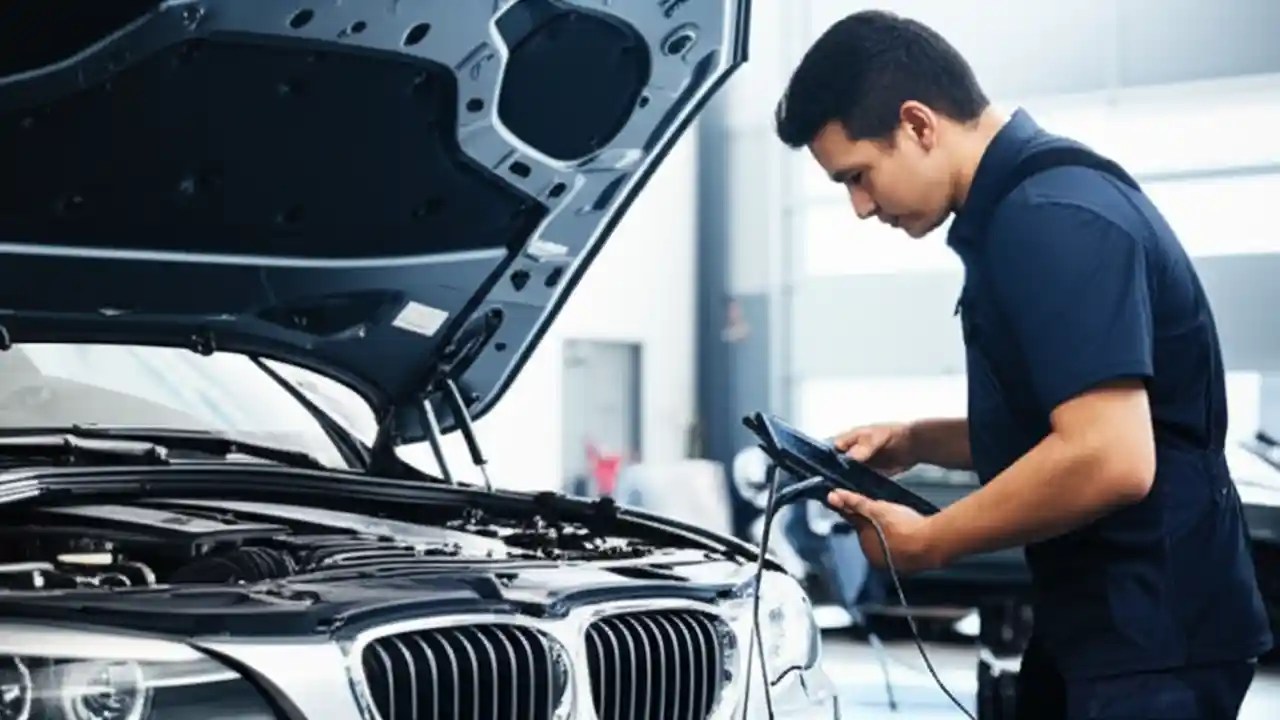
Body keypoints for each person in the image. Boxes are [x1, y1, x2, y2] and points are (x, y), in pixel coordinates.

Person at [772, 9, 1273, 719]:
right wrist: (915, 441)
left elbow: (1110, 457)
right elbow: (1066, 422)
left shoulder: (1051, 218)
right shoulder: (1023, 210)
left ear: (918, 124)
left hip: (1153, 632)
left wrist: (931, 543)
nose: (858, 207)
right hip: (1110, 622)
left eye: (858, 175)